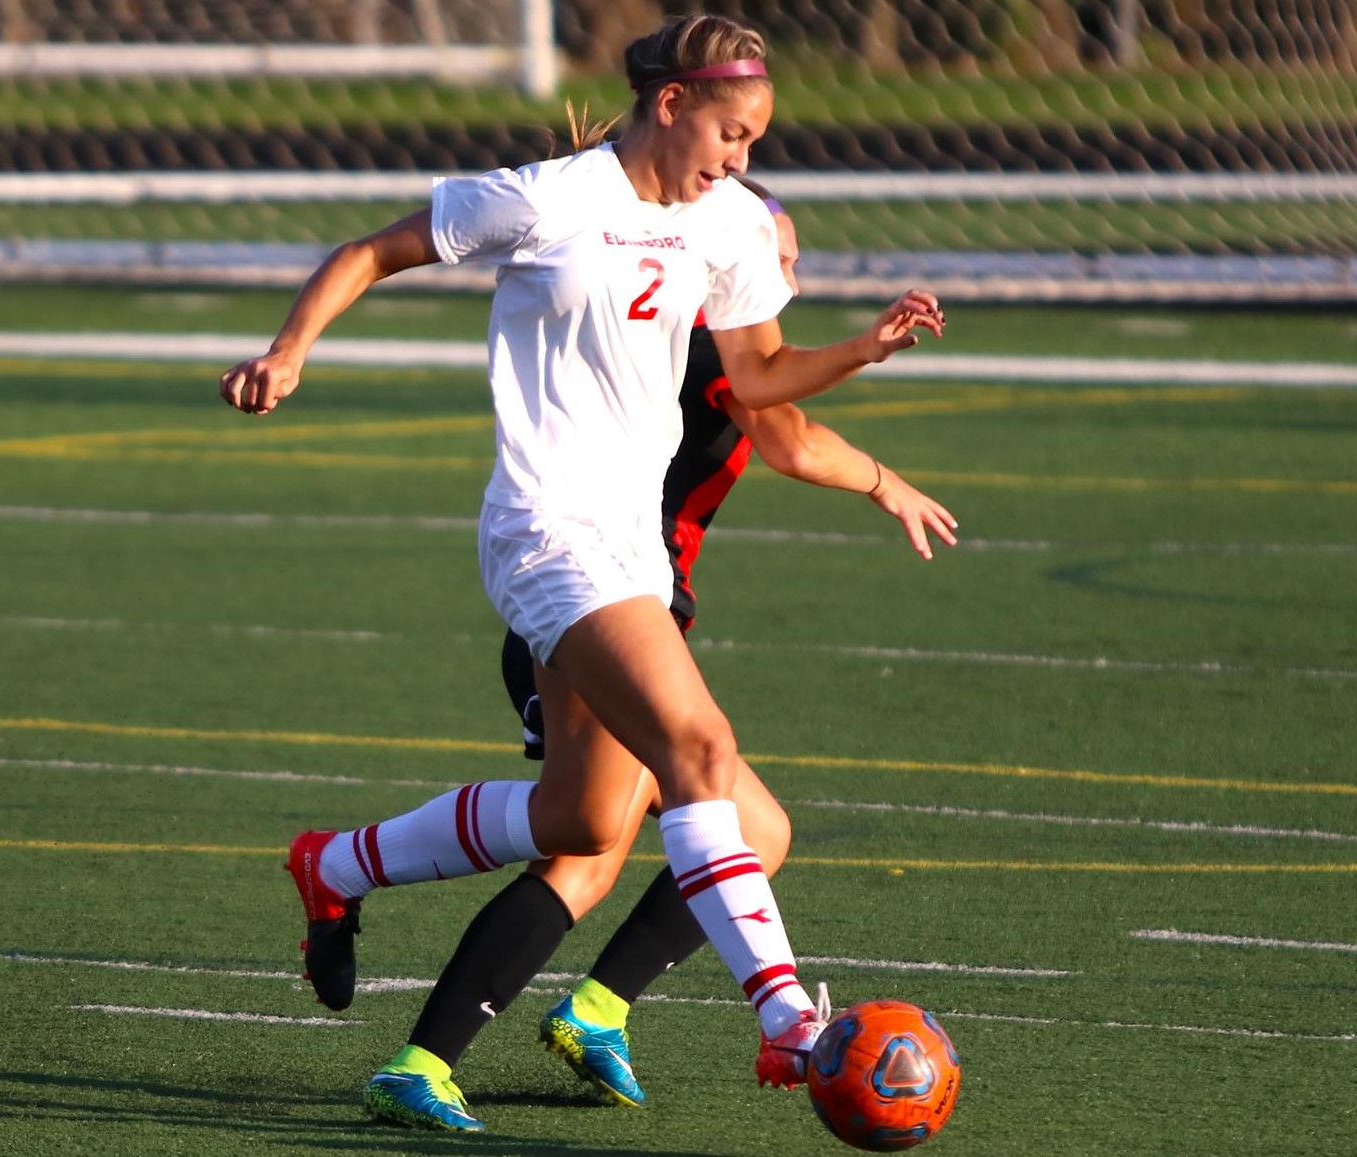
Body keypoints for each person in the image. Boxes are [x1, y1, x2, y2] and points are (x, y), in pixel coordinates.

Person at [219, 10, 945, 1133]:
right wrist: (289, 349)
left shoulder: (736, 224)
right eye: (731, 131)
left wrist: (864, 346)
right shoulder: (548, 196)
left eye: (756, 139)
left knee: (581, 815)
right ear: (671, 104)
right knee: (702, 752)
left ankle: (338, 864)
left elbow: (760, 386)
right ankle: (790, 1019)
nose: (742, 158)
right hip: (545, 530)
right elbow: (373, 250)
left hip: (633, 548)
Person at [354, 186, 956, 1132]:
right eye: (776, 254)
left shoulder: (694, 327)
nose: (785, 275)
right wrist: (883, 480)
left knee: (747, 830)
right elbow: (787, 435)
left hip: (640, 608)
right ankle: (418, 1058)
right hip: (592, 607)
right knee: (587, 848)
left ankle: (590, 1009)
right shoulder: (707, 339)